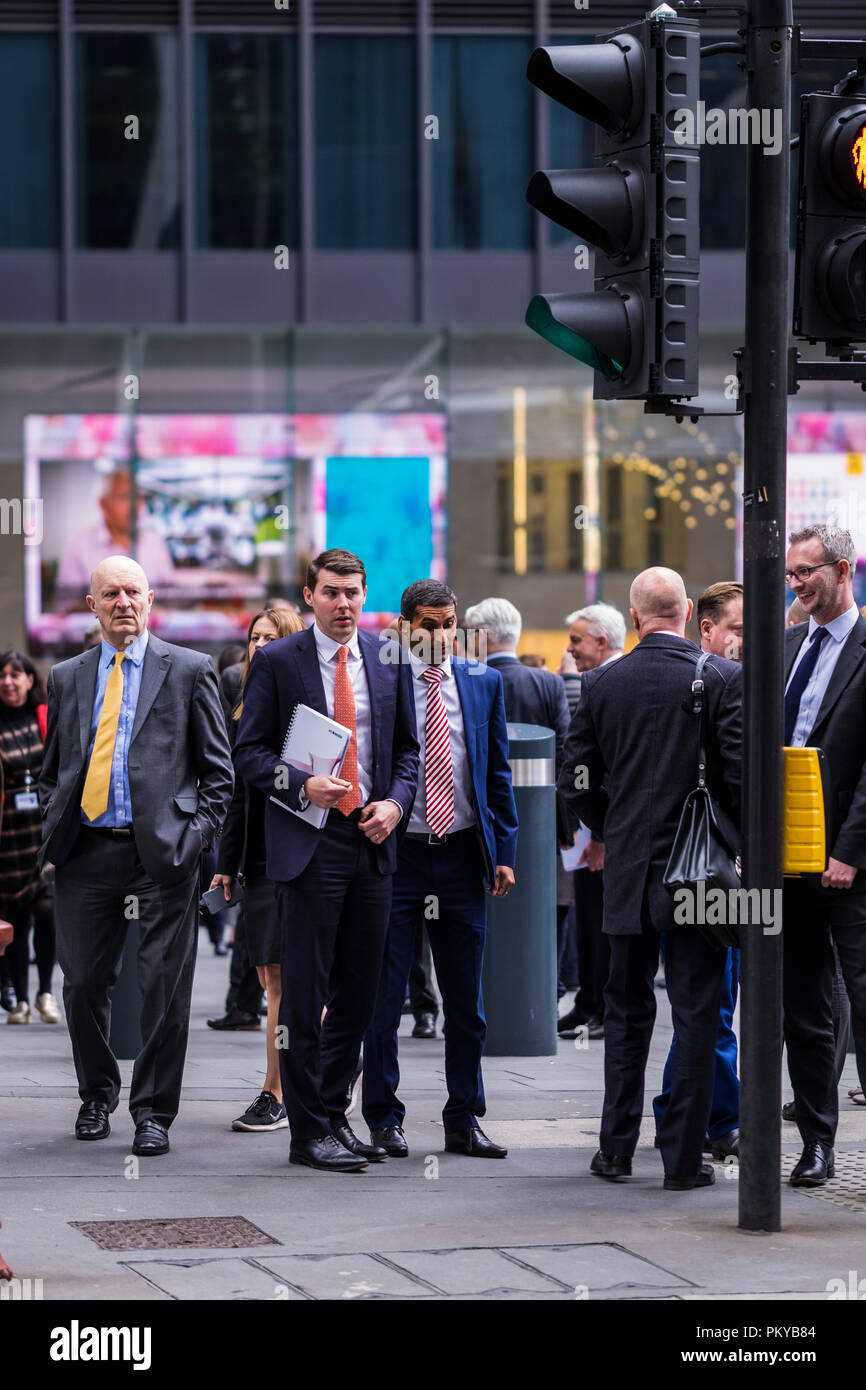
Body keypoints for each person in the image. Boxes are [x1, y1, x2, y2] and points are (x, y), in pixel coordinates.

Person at [38, 556, 234, 1156]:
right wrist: (53, 823)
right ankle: (97, 1094)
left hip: (163, 856)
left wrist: (194, 836)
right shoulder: (66, 676)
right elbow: (54, 771)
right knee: (81, 983)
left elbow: (219, 777)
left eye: (133, 592)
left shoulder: (190, 669)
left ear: (150, 601)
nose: (123, 602)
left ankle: (153, 1112)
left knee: (163, 989)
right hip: (86, 853)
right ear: (91, 605)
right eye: (110, 593)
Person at [233, 548, 419, 1173]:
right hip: (309, 842)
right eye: (332, 592)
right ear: (309, 595)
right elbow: (250, 753)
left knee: (361, 993)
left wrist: (395, 803)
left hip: (372, 838)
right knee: (306, 990)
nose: (345, 604)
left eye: (354, 592)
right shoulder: (280, 662)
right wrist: (299, 785)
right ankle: (306, 1130)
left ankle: (335, 1114)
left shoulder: (389, 660)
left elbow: (408, 753)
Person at [558, 567, 742, 1190]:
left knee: (626, 1010)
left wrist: (613, 827)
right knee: (696, 1011)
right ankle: (682, 1162)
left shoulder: (602, 683)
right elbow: (741, 783)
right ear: (688, 611)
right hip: (702, 877)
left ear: (635, 616)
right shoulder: (723, 678)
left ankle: (614, 1149)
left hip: (628, 873)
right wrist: (733, 845)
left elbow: (575, 778)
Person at [362, 581, 518, 1159]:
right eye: (427, 624)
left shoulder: (484, 683)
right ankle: (382, 1117)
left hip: (460, 854)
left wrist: (504, 851)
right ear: (404, 627)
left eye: (448, 623)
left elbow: (496, 774)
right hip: (397, 855)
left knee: (466, 1002)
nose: (440, 635)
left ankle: (464, 1118)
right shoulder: (383, 679)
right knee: (383, 999)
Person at [782, 524, 866, 1186]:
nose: (797, 584)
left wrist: (848, 852)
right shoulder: (784, 645)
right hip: (786, 860)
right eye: (790, 575)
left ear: (842, 569)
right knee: (803, 1008)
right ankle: (816, 1142)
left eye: (806, 572)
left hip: (848, 866)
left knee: (861, 1002)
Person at [653, 582, 743, 1162]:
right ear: (703, 627)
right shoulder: (703, 683)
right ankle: (714, 1121)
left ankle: (684, 1114)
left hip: (736, 868)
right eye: (738, 627)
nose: (749, 640)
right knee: (711, 1003)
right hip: (703, 868)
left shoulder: (748, 682)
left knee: (713, 1001)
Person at [210, 607, 305, 1132]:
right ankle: (281, 1086)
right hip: (262, 858)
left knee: (299, 980)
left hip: (312, 853)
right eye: (253, 638)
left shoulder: (312, 701)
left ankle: (282, 1087)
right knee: (272, 978)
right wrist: (228, 864)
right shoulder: (243, 708)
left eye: (271, 638)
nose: (260, 646)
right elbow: (237, 797)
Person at [463, 594, 573, 1002]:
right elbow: (564, 749)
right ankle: (542, 988)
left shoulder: (469, 679)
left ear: (480, 635)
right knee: (541, 905)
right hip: (541, 816)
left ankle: (487, 992)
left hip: (479, 816)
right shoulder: (548, 682)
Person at [555, 603, 626, 1039]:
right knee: (589, 918)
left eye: (577, 640)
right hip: (591, 829)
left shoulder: (611, 682)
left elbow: (609, 765)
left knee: (604, 922)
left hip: (608, 832)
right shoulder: (596, 680)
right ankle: (589, 1003)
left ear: (601, 642)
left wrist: (601, 833)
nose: (570, 648)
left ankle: (601, 1007)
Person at [0, 651, 59, 1025]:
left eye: (15, 675)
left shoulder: (44, 718)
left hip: (42, 833)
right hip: (7, 835)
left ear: (28, 680)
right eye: (3, 675)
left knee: (48, 910)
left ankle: (45, 993)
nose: (8, 681)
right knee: (16, 918)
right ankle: (20, 1000)